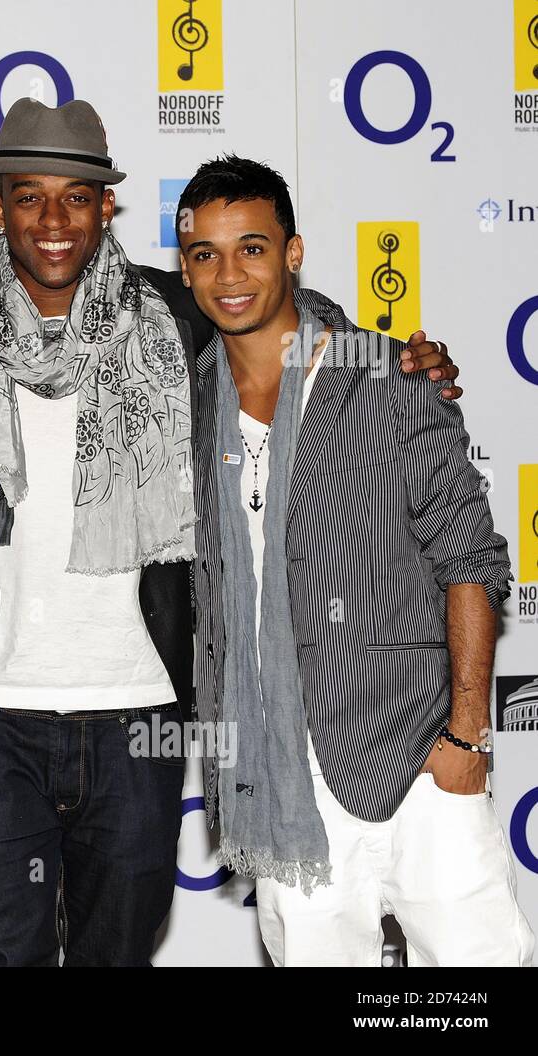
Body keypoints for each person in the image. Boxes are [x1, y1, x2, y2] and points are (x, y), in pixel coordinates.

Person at [0, 100, 463, 966]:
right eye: (29, 197)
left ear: (106, 208)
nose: (53, 221)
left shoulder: (169, 313)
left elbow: (270, 308)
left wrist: (384, 356)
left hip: (140, 715)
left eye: (76, 197)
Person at [179, 154, 534, 967]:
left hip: (412, 751)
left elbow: (471, 559)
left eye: (254, 248)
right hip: (276, 771)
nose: (229, 274)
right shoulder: (191, 403)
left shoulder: (387, 376)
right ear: (187, 266)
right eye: (206, 254)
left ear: (293, 253)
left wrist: (467, 737)